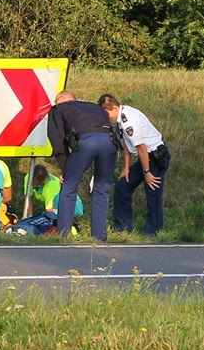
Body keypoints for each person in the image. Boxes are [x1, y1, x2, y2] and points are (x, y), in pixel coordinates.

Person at [45, 90, 114, 241]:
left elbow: (57, 140)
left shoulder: (58, 109)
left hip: (86, 141)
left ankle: (64, 234)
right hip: (109, 142)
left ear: (59, 100)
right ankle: (99, 237)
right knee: (102, 189)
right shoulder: (95, 107)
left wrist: (65, 169)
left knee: (69, 188)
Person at [102, 94, 170, 236]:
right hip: (145, 158)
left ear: (114, 107)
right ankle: (123, 228)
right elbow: (126, 144)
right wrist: (126, 168)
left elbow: (141, 147)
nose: (106, 116)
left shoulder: (128, 120)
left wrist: (147, 172)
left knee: (153, 193)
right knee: (122, 187)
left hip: (155, 157)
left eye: (107, 112)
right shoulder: (119, 120)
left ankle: (154, 233)